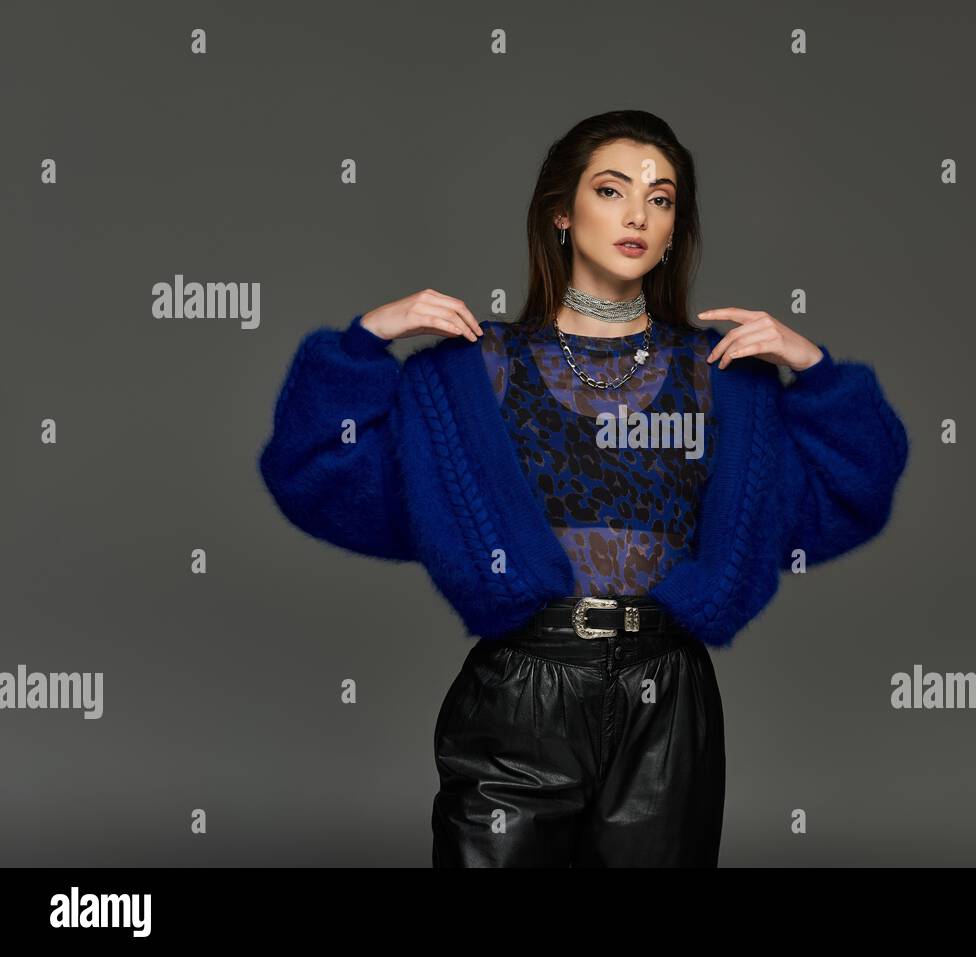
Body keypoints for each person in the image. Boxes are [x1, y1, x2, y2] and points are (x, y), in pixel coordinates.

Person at [257, 109, 910, 867]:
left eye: (662, 199)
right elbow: (312, 473)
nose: (638, 213)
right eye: (611, 190)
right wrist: (362, 343)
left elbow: (857, 488)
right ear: (561, 213)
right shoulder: (479, 368)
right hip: (518, 700)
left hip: (667, 707)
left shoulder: (722, 376)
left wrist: (818, 370)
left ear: (673, 231)